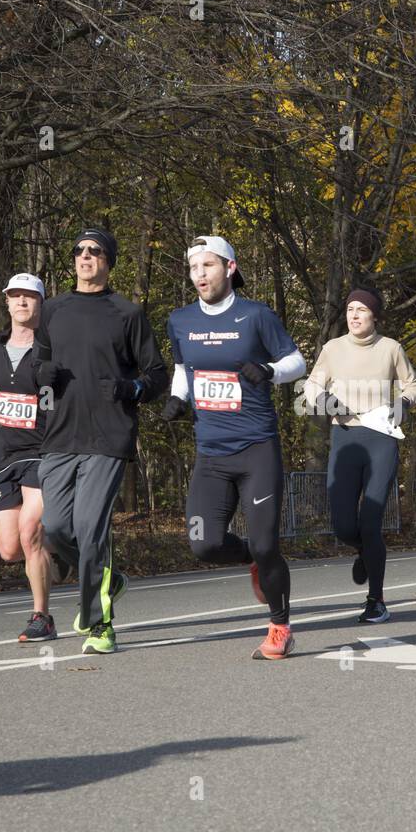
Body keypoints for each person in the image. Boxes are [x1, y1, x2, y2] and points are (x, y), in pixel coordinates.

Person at [162, 236, 307, 659]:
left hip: (256, 446)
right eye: (194, 268)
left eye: (208, 265)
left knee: (268, 543)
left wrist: (268, 370)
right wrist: (178, 397)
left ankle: (280, 626)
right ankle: (254, 559)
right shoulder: (180, 320)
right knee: (202, 544)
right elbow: (181, 368)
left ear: (229, 267)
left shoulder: (256, 315)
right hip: (211, 452)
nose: (200, 274)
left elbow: (295, 362)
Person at [32, 227, 168, 654]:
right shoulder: (52, 310)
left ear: (108, 261)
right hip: (59, 436)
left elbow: (157, 376)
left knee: (91, 531)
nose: (86, 257)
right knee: (53, 530)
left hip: (109, 436)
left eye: (95, 251)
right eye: (79, 251)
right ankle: (112, 578)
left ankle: (100, 624)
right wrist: (43, 376)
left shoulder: (127, 313)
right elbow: (38, 363)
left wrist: (132, 390)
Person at [302, 288, 416, 623]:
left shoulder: (390, 348)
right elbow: (311, 386)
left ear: (375, 316)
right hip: (344, 437)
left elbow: (414, 385)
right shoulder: (333, 348)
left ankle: (376, 601)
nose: (354, 315)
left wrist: (403, 403)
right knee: (343, 526)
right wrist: (326, 402)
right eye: (350, 309)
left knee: (370, 521)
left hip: (381, 438)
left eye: (362, 310)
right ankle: (362, 551)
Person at [0, 273, 61, 642]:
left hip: (43, 452)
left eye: (29, 296)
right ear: (6, 303)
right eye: (14, 296)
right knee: (9, 550)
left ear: (41, 303)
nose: (21, 302)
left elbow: (64, 397)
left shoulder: (52, 349)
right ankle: (61, 557)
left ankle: (42, 618)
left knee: (29, 531)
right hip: (5, 456)